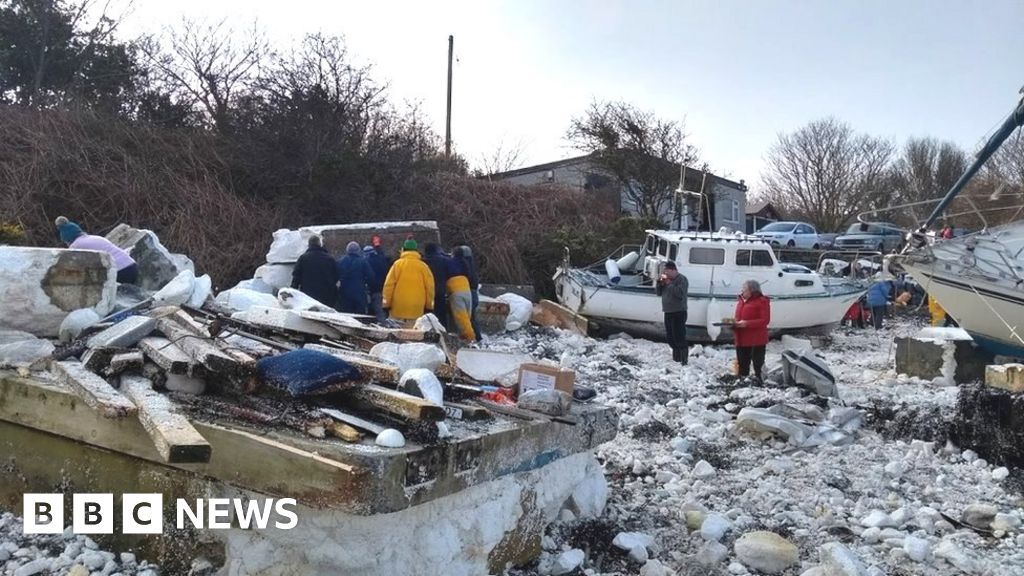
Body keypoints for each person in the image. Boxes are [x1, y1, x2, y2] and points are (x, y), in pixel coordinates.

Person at [55, 216, 138, 284]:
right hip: (131, 266)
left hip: (120, 271)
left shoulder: (75, 246)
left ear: (68, 240)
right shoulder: (95, 238)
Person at [382, 239, 435, 324]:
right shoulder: (424, 267)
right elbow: (430, 288)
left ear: (403, 249)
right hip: (417, 310)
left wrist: (386, 304)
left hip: (398, 309)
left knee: (398, 331)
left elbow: (388, 286)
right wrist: (429, 306)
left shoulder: (397, 265)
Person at [733, 280, 771, 381]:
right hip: (741, 337)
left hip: (756, 339)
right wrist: (733, 324)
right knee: (742, 362)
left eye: (744, 289)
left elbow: (765, 320)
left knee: (758, 363)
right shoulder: (741, 300)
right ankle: (743, 380)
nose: (742, 291)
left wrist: (747, 323)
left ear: (752, 290)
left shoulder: (762, 301)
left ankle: (760, 380)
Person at [291, 235, 339, 308]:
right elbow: (336, 276)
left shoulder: (303, 258)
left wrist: (292, 291)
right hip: (326, 295)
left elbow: (296, 277)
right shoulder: (329, 259)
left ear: (309, 245)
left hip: (308, 296)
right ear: (319, 244)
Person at [655, 261, 688, 365]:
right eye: (665, 272)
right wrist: (659, 284)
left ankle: (684, 359)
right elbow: (658, 293)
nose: (666, 274)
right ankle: (676, 358)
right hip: (668, 311)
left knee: (679, 336)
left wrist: (669, 284)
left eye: (667, 271)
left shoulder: (682, 279)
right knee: (670, 337)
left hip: (679, 312)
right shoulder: (666, 278)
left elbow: (680, 294)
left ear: (674, 270)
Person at [446, 249, 476, 341]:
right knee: (467, 316)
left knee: (461, 318)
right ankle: (466, 337)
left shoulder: (448, 263)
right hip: (467, 290)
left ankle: (470, 339)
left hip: (455, 292)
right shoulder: (466, 263)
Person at [336, 241, 374, 314]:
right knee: (360, 314)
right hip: (359, 292)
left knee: (346, 314)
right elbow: (371, 276)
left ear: (347, 250)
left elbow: (335, 275)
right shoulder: (363, 262)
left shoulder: (340, 261)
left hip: (344, 293)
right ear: (358, 250)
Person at [454, 245, 482, 341]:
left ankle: (475, 338)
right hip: (473, 294)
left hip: (468, 292)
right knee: (472, 318)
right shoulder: (471, 264)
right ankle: (478, 337)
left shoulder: (462, 265)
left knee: (467, 320)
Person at [422, 243, 451, 329]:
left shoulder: (422, 261)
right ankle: (444, 330)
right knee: (441, 314)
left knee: (427, 315)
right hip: (440, 291)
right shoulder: (443, 260)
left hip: (426, 292)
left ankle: (427, 330)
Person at [365, 236, 391, 323]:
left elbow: (369, 276)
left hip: (373, 289)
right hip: (383, 288)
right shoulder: (381, 259)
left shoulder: (367, 261)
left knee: (375, 311)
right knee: (382, 311)